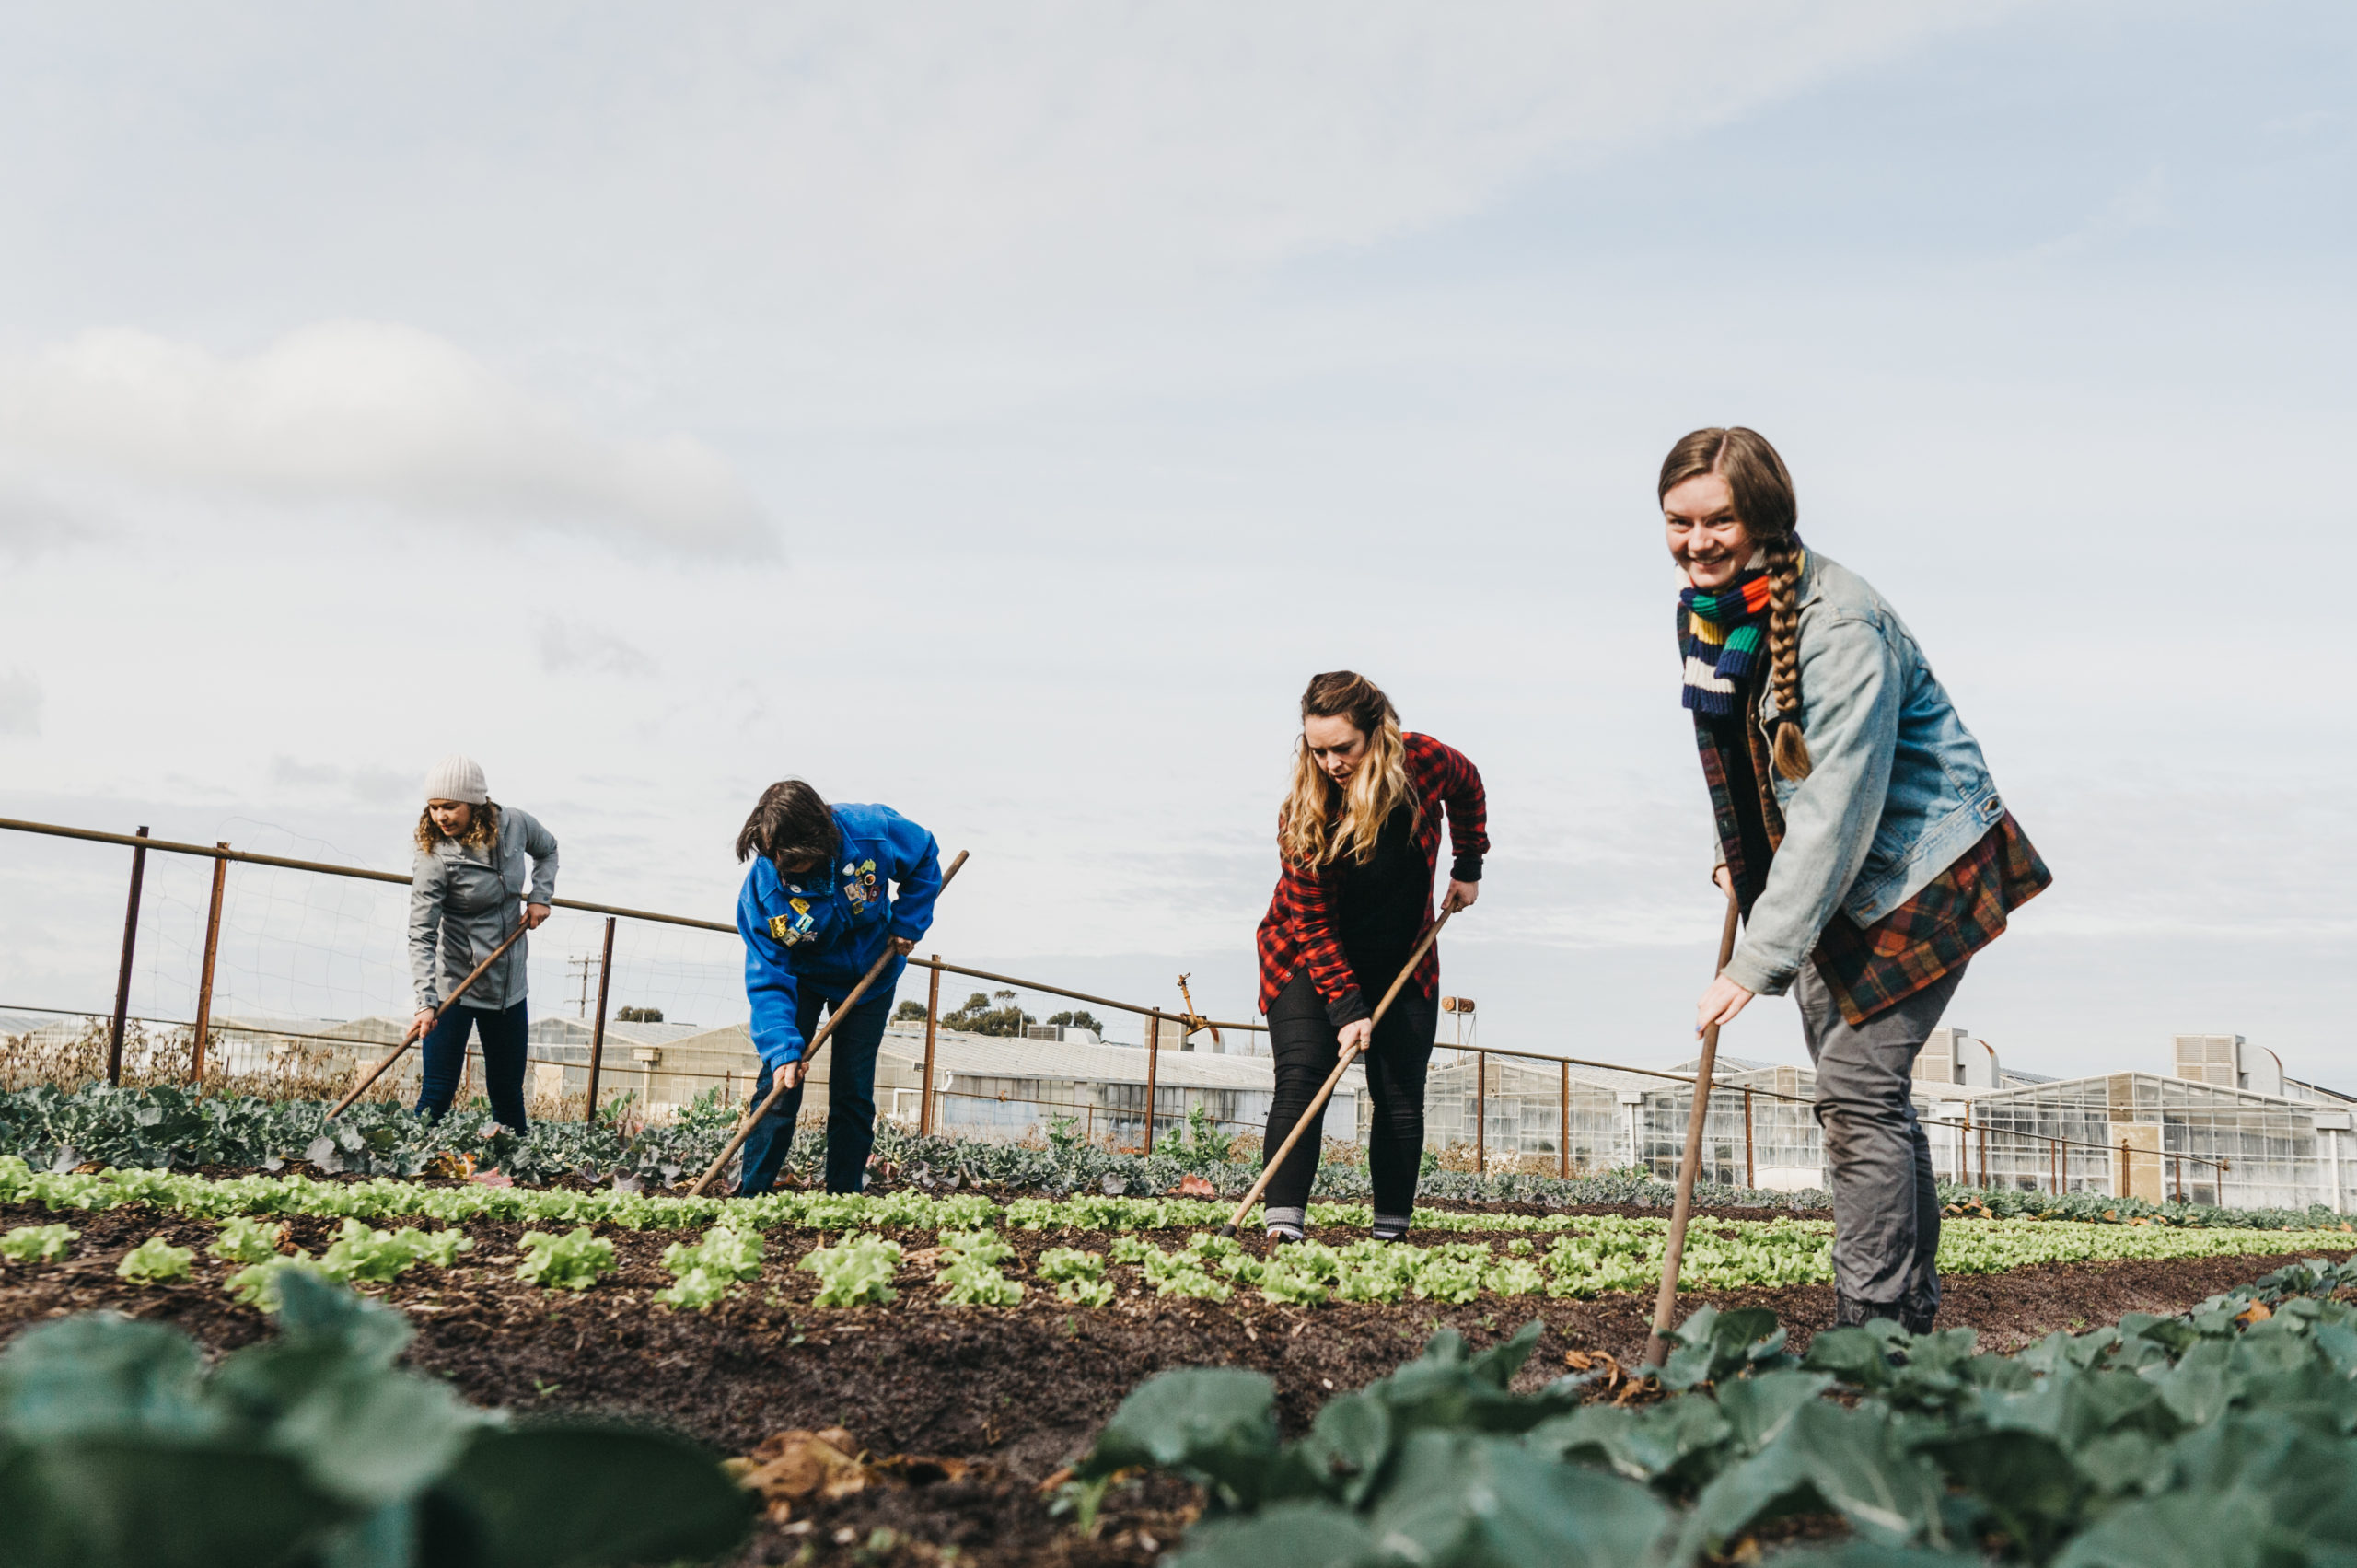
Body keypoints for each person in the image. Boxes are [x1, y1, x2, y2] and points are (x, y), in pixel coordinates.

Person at [1663, 427, 2050, 1332]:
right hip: (1834, 873)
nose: (1696, 539)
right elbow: (1751, 755)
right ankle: (1903, 1319)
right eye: (1678, 521)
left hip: (1916, 872)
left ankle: (1872, 1329)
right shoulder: (1717, 611)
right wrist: (1742, 854)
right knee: (1869, 1099)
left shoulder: (1839, 628)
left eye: (1717, 518)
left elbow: (1837, 808)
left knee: (1856, 1095)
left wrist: (1752, 960)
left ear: (1764, 513)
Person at [1254, 671, 1486, 1245]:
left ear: (1376, 732)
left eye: (1344, 748)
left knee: (1400, 1093)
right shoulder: (1304, 816)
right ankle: (1283, 1232)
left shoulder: (1423, 762)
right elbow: (1312, 924)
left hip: (1403, 954)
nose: (1331, 762)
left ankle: (1390, 1236)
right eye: (1318, 750)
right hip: (1308, 958)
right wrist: (1348, 1007)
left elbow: (1468, 785)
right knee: (1304, 1078)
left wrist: (1468, 867)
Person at [733, 781, 944, 1196]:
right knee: (780, 1083)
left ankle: (843, 1194)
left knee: (853, 1087)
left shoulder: (871, 831)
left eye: (795, 859)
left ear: (822, 836)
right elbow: (768, 974)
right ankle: (752, 1194)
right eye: (776, 858)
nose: (784, 867)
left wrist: (908, 922)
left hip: (871, 974)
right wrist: (781, 1048)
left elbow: (923, 857)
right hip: (801, 979)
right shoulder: (764, 892)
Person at [406, 754, 559, 1129]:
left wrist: (541, 896)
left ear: (475, 803)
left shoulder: (517, 824)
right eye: (434, 807)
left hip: (508, 986)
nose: (440, 817)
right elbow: (421, 934)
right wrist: (426, 1002)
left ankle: (514, 1175)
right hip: (455, 984)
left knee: (506, 1091)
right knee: (438, 1091)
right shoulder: (434, 857)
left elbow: (549, 850)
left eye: (450, 807)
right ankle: (403, 1168)